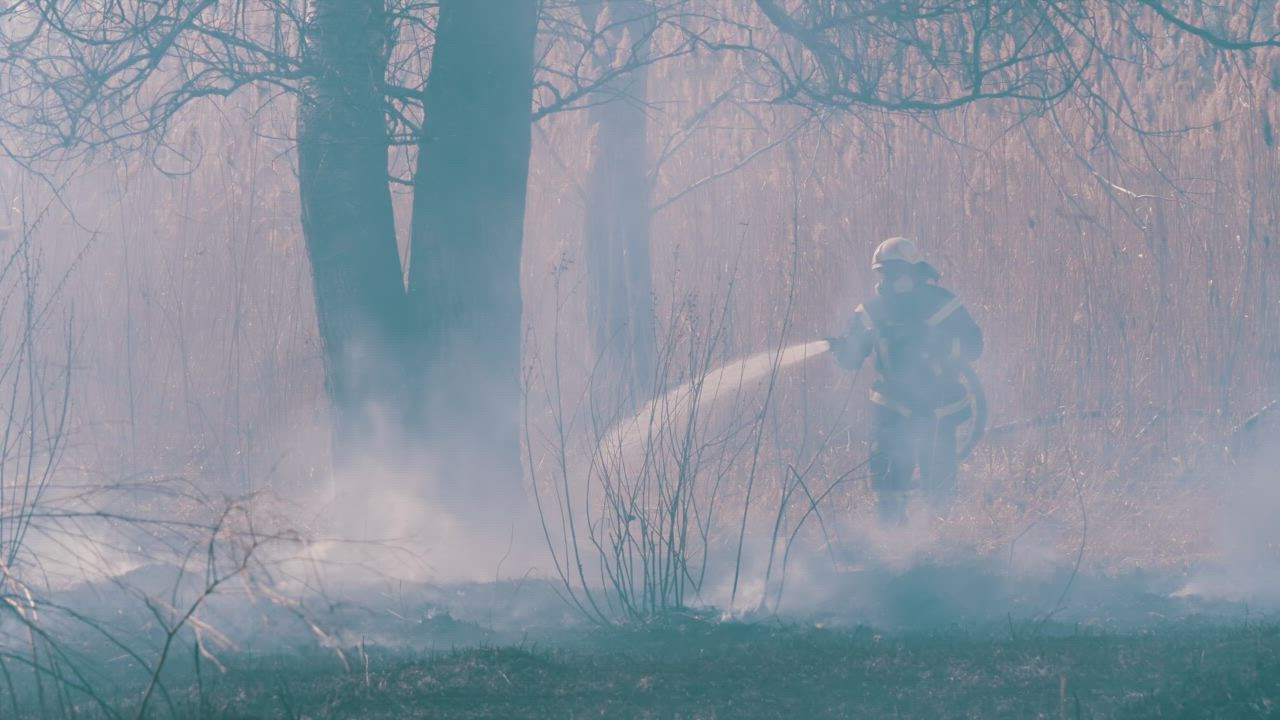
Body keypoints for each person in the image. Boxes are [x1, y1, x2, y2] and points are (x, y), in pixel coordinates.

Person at [827, 237, 983, 523]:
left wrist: (942, 346)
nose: (891, 280)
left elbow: (974, 346)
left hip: (939, 410)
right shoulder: (872, 312)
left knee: (939, 485)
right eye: (885, 273)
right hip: (892, 411)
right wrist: (842, 347)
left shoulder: (943, 305)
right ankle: (893, 547)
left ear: (914, 271)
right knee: (888, 483)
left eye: (897, 271)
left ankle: (940, 546)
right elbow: (850, 361)